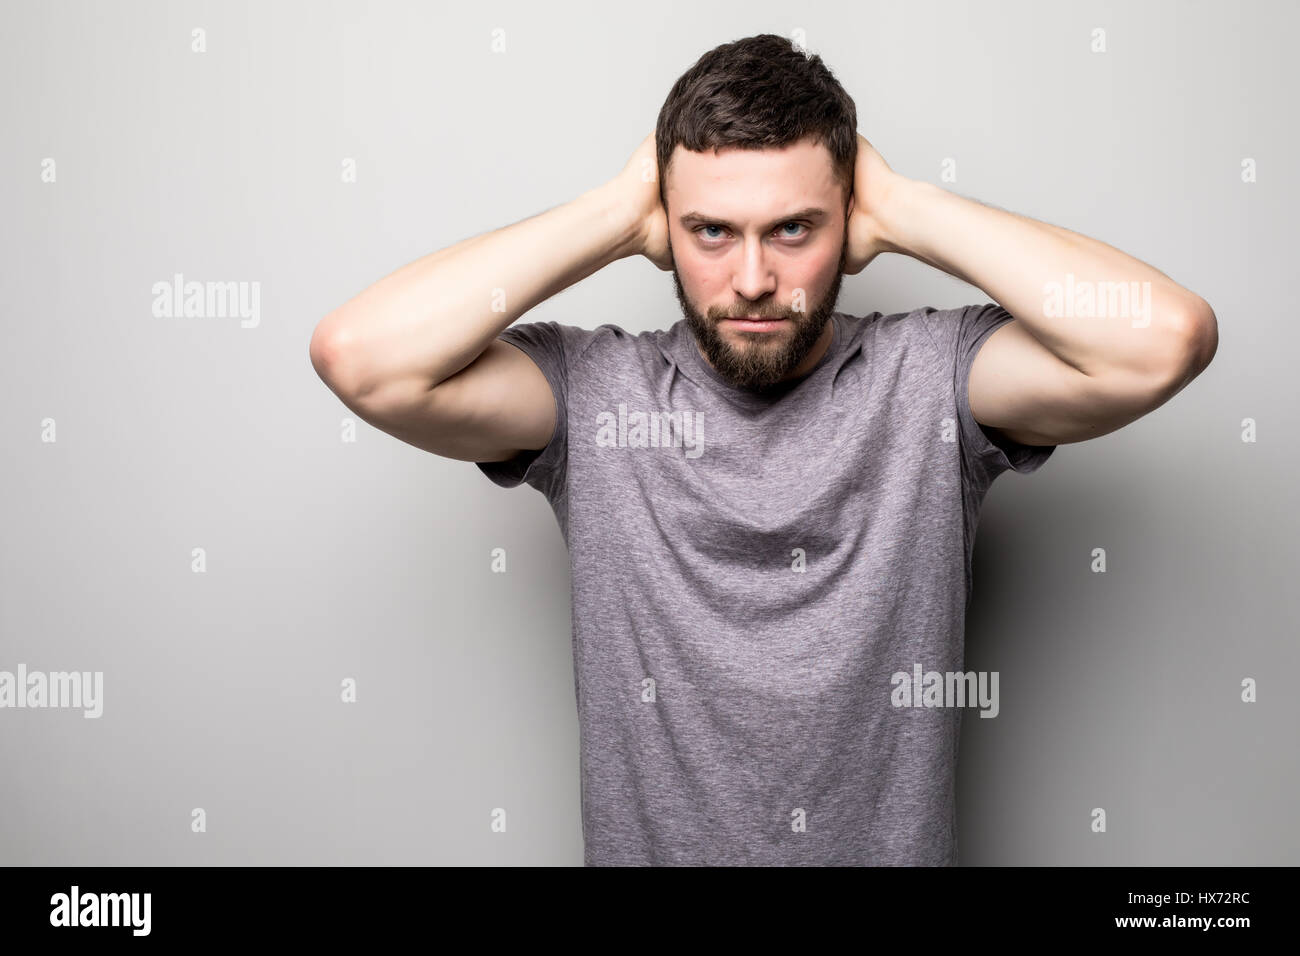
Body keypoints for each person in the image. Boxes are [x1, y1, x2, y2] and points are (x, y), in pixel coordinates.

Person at [309, 34, 1217, 866]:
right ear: (665, 231)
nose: (751, 280)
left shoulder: (929, 381)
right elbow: (365, 361)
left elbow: (1162, 339)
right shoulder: (596, 398)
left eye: (793, 228)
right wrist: (615, 211)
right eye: (710, 230)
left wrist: (904, 207)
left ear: (847, 227)